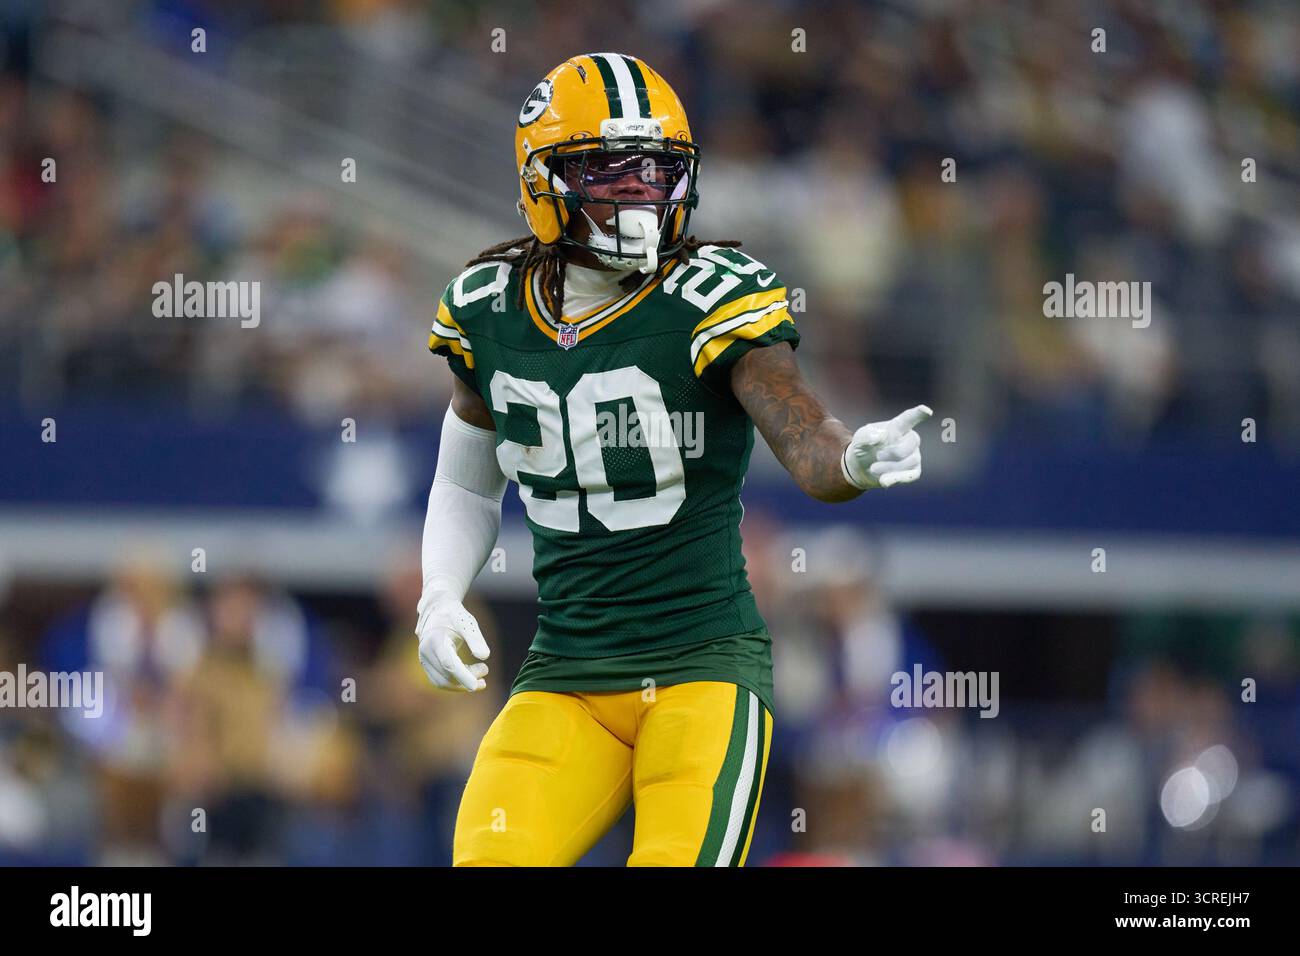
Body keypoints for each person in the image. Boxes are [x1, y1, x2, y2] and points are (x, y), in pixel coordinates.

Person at [418, 53, 931, 866]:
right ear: (541, 179)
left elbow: (804, 439)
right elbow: (464, 480)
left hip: (703, 674)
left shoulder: (711, 293)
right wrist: (440, 595)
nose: (639, 193)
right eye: (609, 172)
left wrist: (854, 457)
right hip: (566, 675)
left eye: (656, 171)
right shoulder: (487, 306)